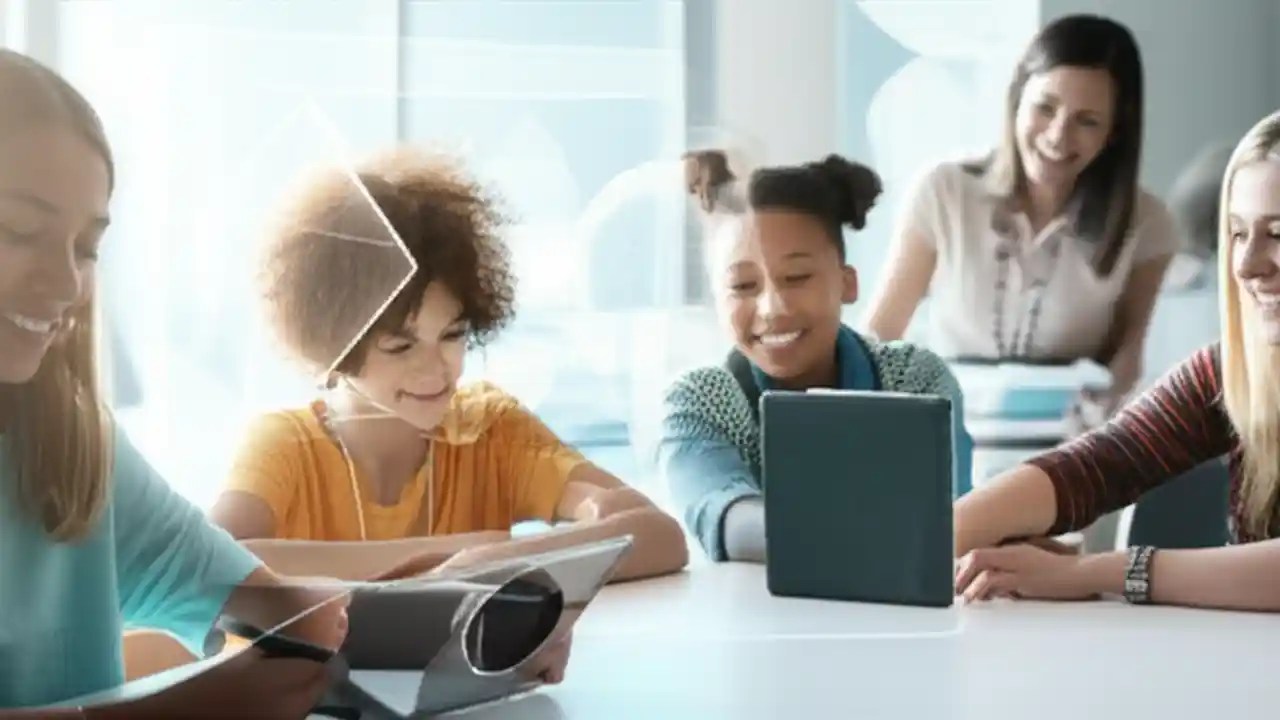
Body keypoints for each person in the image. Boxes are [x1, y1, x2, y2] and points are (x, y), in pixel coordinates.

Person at [0, 49, 347, 717]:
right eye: (17, 230)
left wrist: (472, 636)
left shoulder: (75, 444)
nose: (69, 283)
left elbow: (272, 606)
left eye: (85, 248)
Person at [209, 147, 688, 589]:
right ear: (332, 343)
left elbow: (660, 536)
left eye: (453, 335)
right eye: (400, 346)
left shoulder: (491, 430)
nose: (436, 369)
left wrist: (496, 561)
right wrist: (460, 553)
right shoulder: (285, 445)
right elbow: (213, 565)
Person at [953, 109, 1280, 613]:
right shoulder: (1232, 370)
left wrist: (1093, 570)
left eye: (1276, 233)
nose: (1247, 264)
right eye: (1238, 234)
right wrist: (936, 540)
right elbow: (1102, 463)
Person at [657, 150, 974, 563]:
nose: (772, 308)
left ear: (847, 283)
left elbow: (953, 520)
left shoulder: (913, 378)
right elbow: (730, 521)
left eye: (797, 277)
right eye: (743, 286)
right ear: (717, 301)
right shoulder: (700, 398)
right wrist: (887, 531)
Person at [862, 14, 1179, 419]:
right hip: (949, 427)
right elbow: (880, 336)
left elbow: (1132, 357)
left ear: (1115, 130)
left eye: (1087, 121)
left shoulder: (1147, 223)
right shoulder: (944, 190)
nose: (1057, 136)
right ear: (1016, 101)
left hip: (1070, 443)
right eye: (1045, 107)